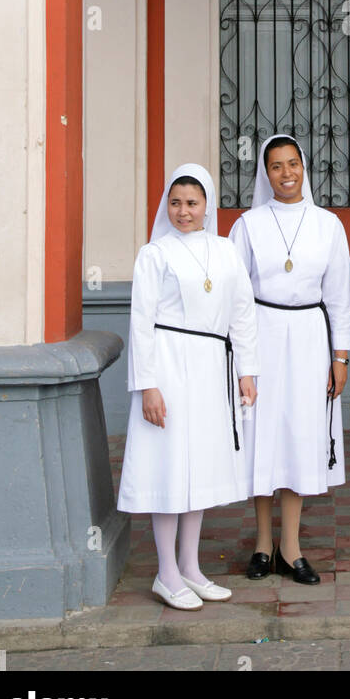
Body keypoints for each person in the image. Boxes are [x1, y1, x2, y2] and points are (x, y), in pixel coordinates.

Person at [117, 163, 259, 610]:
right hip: (169, 367)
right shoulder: (154, 254)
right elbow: (141, 324)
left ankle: (191, 568)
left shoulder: (225, 251)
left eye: (192, 203)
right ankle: (165, 572)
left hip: (211, 368)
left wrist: (247, 371)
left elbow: (243, 313)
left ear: (207, 206)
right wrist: (148, 386)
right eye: (175, 203)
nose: (183, 212)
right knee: (169, 466)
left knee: (198, 468)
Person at [229, 134, 350, 585]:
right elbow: (236, 298)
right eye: (277, 166)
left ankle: (292, 547)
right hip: (261, 336)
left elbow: (339, 297)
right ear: (266, 173)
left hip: (309, 340)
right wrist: (242, 360)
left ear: (304, 167)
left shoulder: (327, 225)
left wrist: (340, 358)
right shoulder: (247, 225)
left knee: (300, 435)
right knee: (263, 436)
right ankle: (262, 544)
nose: (286, 174)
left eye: (293, 164)